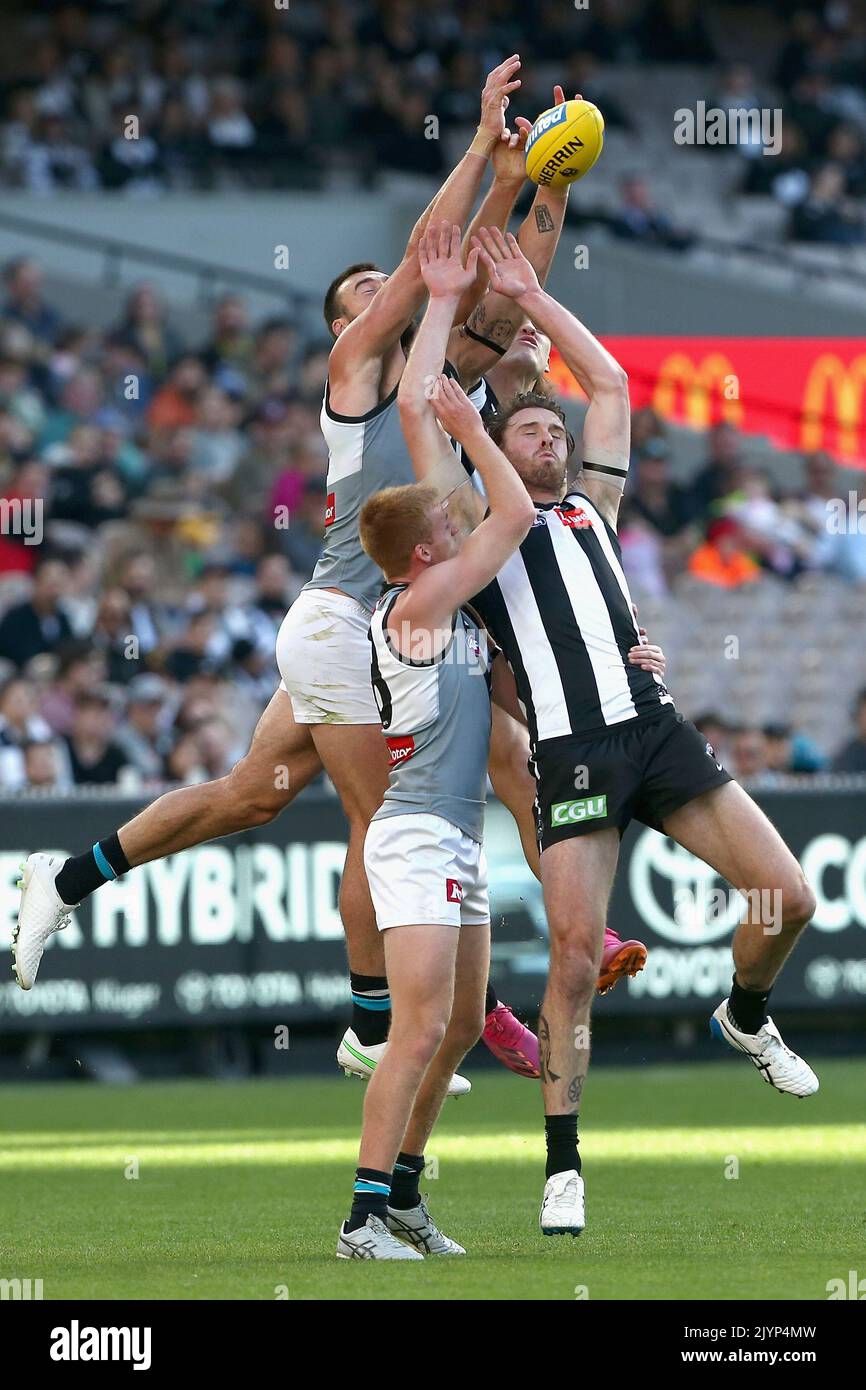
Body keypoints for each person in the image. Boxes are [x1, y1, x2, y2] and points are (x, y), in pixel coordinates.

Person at [13, 58, 571, 1090]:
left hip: (374, 630)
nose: (383, 289)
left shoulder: (439, 376)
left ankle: (67, 873)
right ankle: (382, 1020)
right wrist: (485, 149)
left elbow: (504, 264)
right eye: (362, 291)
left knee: (252, 795)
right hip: (346, 623)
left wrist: (537, 177)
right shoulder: (356, 365)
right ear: (340, 323)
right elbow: (427, 260)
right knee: (394, 814)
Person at [450, 227, 818, 1235]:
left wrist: (532, 297)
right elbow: (453, 444)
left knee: (787, 896)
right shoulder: (488, 540)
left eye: (553, 435)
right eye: (530, 435)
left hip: (650, 729)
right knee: (573, 961)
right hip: (570, 754)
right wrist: (482, 392)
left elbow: (607, 381)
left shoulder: (592, 513)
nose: (550, 441)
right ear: (497, 455)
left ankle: (742, 1014)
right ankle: (560, 1166)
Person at [338, 356, 534, 1259]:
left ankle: (405, 1198)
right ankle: (360, 1220)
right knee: (416, 1032)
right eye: (446, 527)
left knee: (458, 1024)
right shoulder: (416, 607)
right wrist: (473, 433)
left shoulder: (448, 613)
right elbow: (515, 514)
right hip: (417, 834)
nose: (461, 529)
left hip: (454, 834)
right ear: (423, 556)